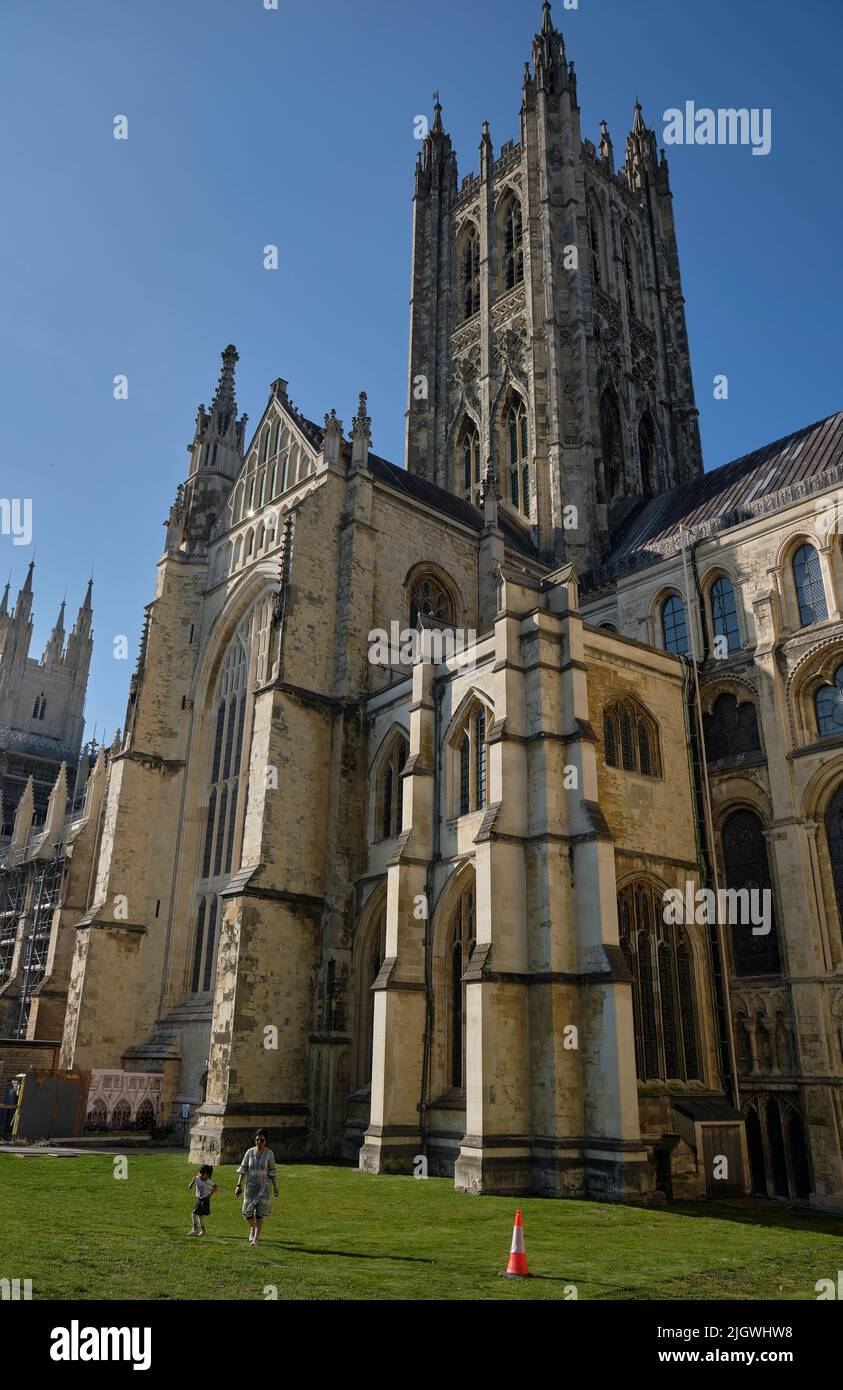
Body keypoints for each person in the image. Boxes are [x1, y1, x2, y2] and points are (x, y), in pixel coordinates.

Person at [235, 1129, 278, 1246]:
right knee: (246, 1212)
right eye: (257, 1140)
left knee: (259, 1213)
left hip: (264, 1189)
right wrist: (238, 1185)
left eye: (262, 1140)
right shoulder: (249, 1152)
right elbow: (243, 1168)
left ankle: (256, 1238)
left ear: (266, 1141)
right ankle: (253, 1228)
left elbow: (273, 1171)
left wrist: (275, 1187)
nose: (259, 1142)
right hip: (250, 1188)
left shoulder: (269, 1154)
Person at [186, 1163, 217, 1237]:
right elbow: (192, 1183)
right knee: (200, 1215)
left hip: (204, 1200)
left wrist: (210, 1193)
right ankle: (203, 1231)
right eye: (200, 1173)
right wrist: (191, 1184)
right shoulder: (197, 1178)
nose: (200, 1175)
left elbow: (215, 1187)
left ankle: (195, 1230)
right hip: (199, 1199)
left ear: (207, 1174)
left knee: (194, 1214)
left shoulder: (208, 1181)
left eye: (203, 1174)